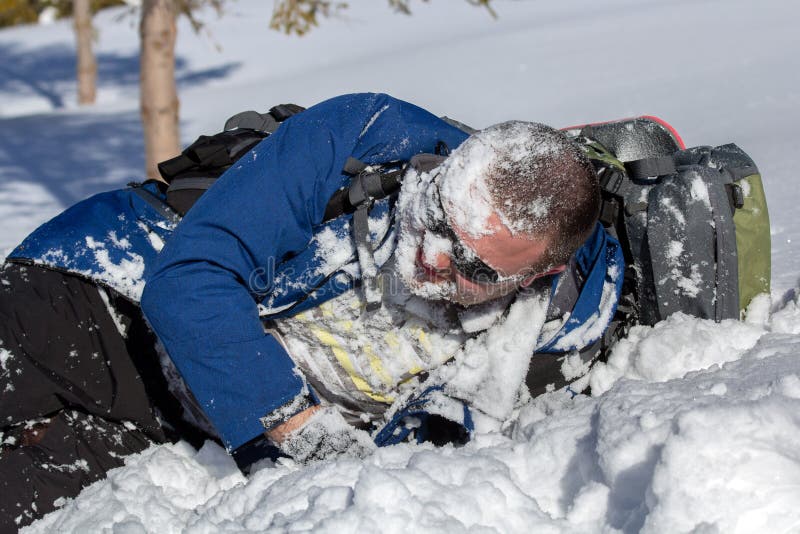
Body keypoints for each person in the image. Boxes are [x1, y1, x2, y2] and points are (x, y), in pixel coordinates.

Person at [0, 92, 621, 530]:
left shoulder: (557, 329)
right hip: (106, 298)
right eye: (436, 218)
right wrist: (297, 425)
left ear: (540, 274)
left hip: (185, 435)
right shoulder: (363, 133)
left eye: (475, 268)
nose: (434, 258)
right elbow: (190, 280)